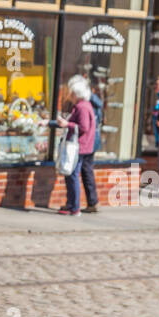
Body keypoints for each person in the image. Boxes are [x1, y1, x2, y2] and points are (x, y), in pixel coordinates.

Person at [56, 74, 98, 215]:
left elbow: (83, 127)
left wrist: (67, 124)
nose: (70, 95)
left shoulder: (82, 107)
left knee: (72, 175)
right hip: (80, 146)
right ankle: (72, 204)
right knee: (72, 175)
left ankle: (74, 207)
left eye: (72, 93)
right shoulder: (83, 106)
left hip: (79, 146)